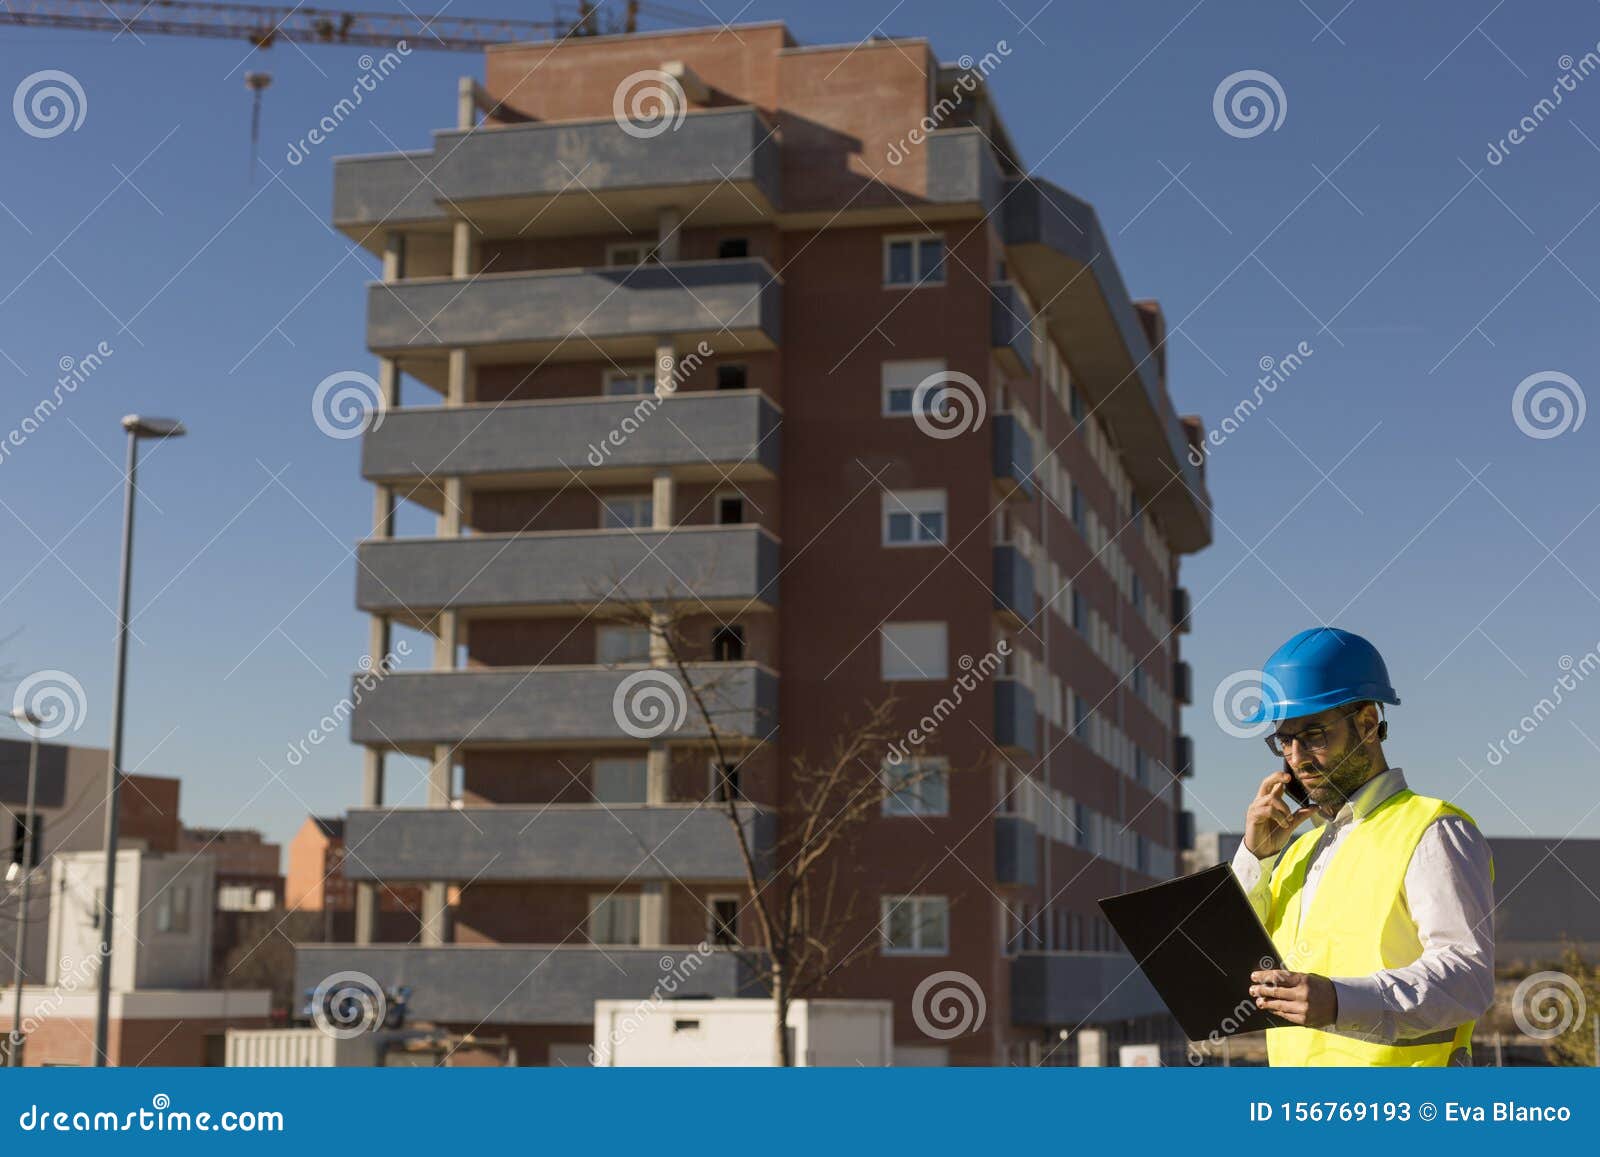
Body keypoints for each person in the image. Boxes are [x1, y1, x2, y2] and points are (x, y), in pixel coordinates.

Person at [1232, 626, 1495, 1066]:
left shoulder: (1432, 830)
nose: (1296, 758)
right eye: (1285, 740)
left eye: (1314, 735)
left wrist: (1339, 1001)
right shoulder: (1296, 851)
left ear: (1368, 724)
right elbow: (1232, 956)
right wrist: (1256, 856)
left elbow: (1466, 979)